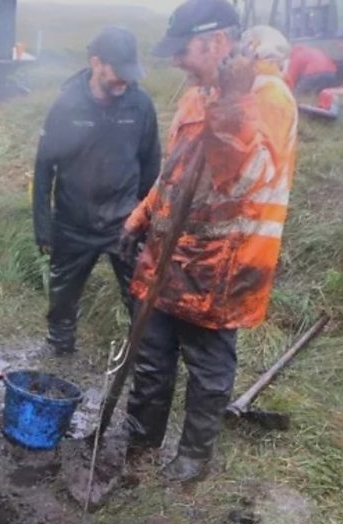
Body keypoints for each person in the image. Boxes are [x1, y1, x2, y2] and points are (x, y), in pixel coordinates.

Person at [117, 0, 297, 483]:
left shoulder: (269, 100)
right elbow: (175, 169)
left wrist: (233, 103)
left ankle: (193, 458)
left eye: (183, 50)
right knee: (151, 358)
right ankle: (140, 441)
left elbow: (241, 181)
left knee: (207, 370)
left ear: (216, 42)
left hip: (222, 269)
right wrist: (142, 215)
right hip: (167, 257)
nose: (176, 60)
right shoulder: (198, 93)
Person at [32, 26, 160, 356]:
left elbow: (151, 166)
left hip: (125, 224)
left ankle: (139, 361)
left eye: (130, 73)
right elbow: (44, 168)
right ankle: (60, 351)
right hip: (73, 222)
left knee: (140, 299)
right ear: (96, 63)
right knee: (62, 299)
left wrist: (144, 218)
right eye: (119, 72)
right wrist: (43, 225)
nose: (125, 81)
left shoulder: (140, 106)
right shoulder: (67, 105)